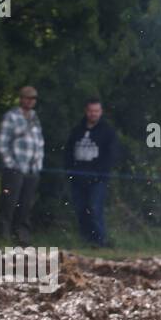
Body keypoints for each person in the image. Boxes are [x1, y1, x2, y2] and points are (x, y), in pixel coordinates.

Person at [63, 98, 118, 247]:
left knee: (94, 209)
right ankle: (86, 240)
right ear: (86, 111)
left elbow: (111, 156)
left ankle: (100, 241)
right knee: (81, 209)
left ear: (101, 112)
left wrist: (100, 174)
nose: (93, 114)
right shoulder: (77, 130)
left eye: (96, 111)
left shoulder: (107, 132)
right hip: (78, 178)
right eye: (91, 111)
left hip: (97, 179)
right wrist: (70, 171)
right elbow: (68, 151)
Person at [0, 85, 44, 244]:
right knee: (9, 202)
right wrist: (10, 163)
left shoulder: (35, 117)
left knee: (26, 204)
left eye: (34, 98)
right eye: (28, 98)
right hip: (15, 168)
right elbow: (2, 143)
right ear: (21, 98)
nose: (31, 101)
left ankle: (22, 236)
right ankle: (4, 234)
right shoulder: (11, 117)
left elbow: (39, 142)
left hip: (32, 169)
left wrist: (38, 164)